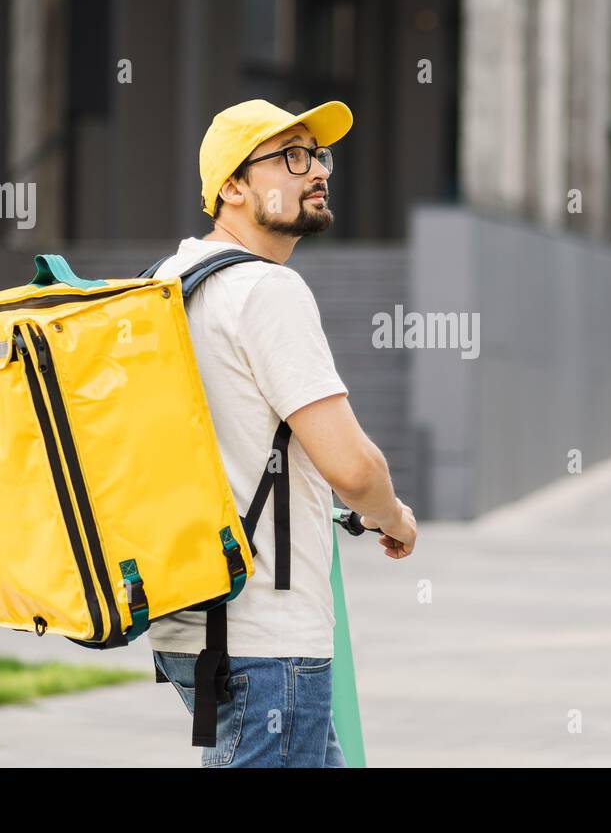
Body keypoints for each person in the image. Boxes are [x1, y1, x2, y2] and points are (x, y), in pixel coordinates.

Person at [148, 98, 417, 767]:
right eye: (290, 157)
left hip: (193, 627)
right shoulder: (267, 291)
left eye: (318, 156)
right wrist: (393, 516)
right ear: (231, 187)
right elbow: (351, 466)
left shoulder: (164, 283)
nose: (316, 171)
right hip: (269, 644)